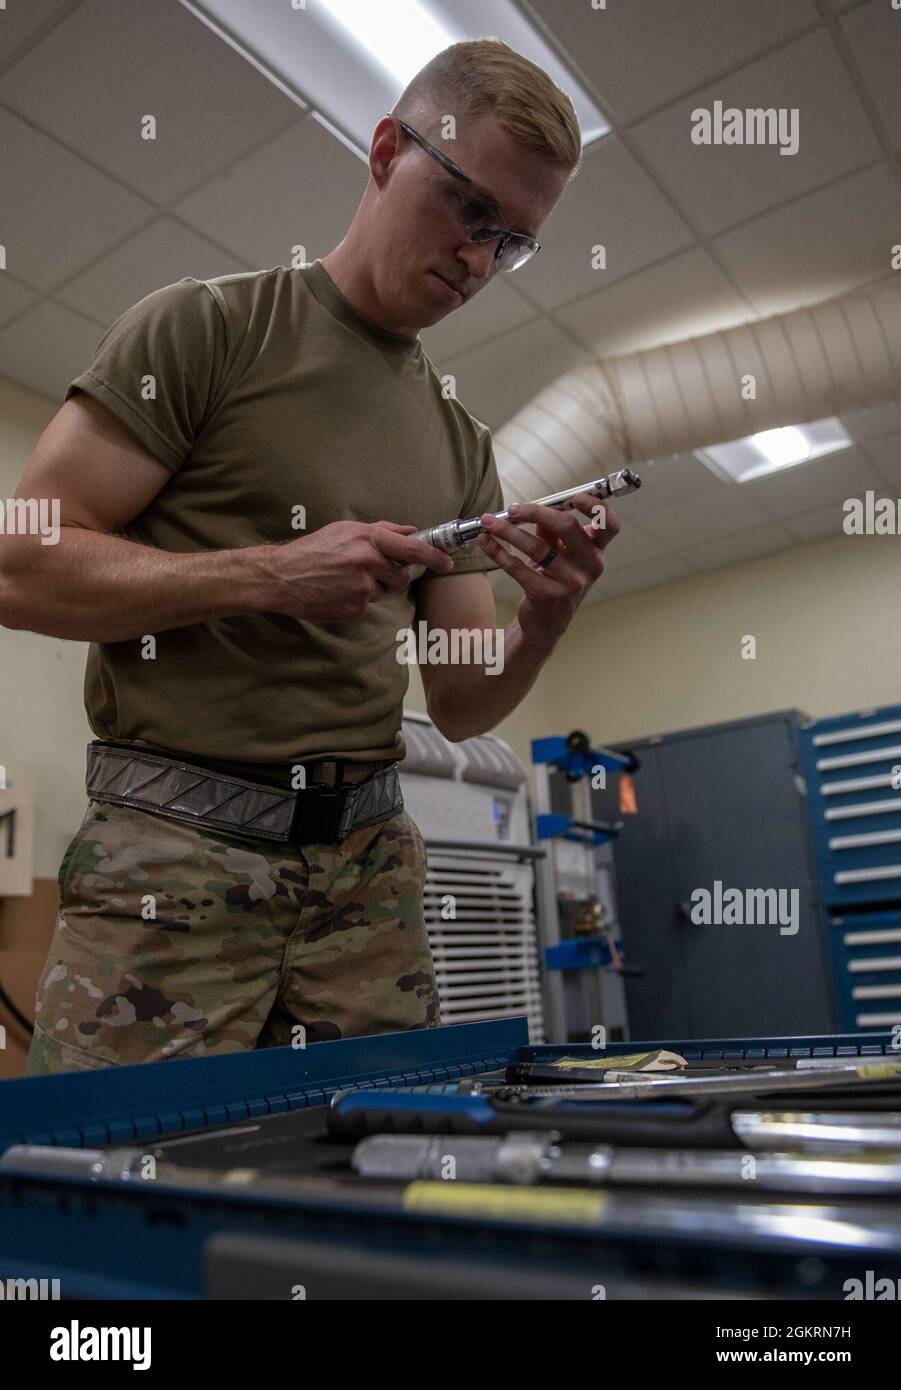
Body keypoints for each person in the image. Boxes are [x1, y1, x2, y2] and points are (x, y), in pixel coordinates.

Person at [0, 38, 621, 1074]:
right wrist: (269, 573)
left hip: (367, 879)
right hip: (173, 856)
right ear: (386, 151)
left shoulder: (460, 442)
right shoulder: (206, 330)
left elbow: (463, 702)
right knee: (115, 1189)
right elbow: (20, 565)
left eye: (512, 242)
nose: (479, 261)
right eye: (468, 211)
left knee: (375, 1182)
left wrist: (545, 616)